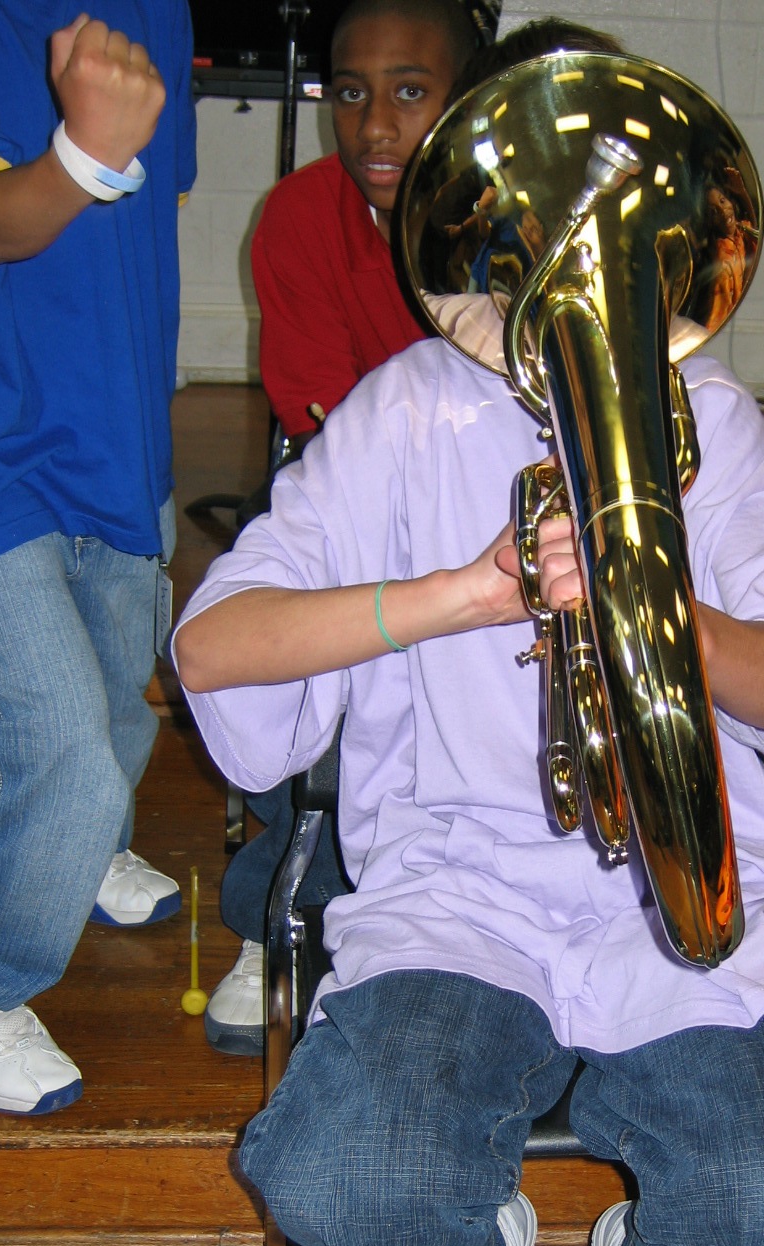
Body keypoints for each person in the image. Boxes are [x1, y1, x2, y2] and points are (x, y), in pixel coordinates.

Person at [173, 22, 764, 1246]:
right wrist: (465, 595)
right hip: (458, 889)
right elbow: (217, 649)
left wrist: (653, 599)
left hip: (680, 907)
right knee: (352, 1176)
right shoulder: (401, 410)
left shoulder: (716, 426)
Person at [204, 0, 499, 1056]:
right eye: (350, 93)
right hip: (359, 500)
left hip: (500, 510)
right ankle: (279, 904)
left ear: (467, 101)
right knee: (331, 656)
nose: (375, 125)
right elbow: (325, 427)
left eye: (411, 92)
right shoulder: (297, 215)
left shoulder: (513, 214)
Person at [0, 5, 196, 1115]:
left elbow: (147, 223)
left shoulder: (161, 11)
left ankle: (74, 839)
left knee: (109, 706)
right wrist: (83, 151)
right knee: (64, 744)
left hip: (117, 433)